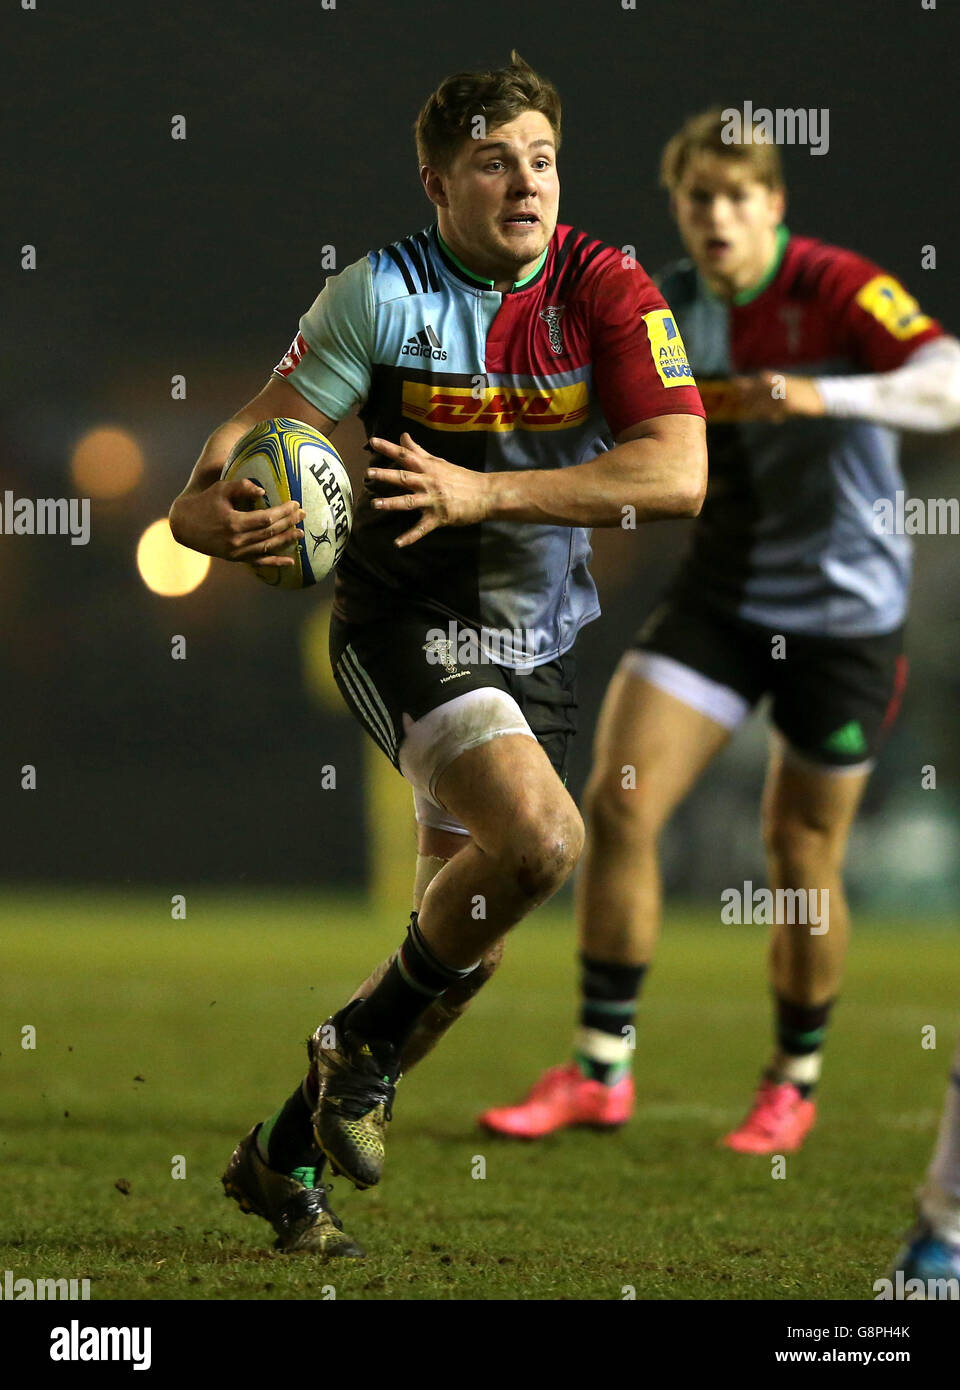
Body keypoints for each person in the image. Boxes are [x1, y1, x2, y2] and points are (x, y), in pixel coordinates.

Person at [168, 54, 706, 1254]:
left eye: (542, 159)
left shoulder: (609, 291)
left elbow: (678, 473)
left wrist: (483, 492)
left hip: (538, 646)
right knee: (547, 840)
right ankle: (352, 1054)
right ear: (438, 183)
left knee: (462, 942)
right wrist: (204, 508)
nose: (525, 183)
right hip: (404, 627)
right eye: (492, 162)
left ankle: (282, 1157)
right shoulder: (382, 295)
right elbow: (265, 432)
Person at [479, 106, 960, 1153]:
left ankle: (792, 1077)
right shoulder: (666, 307)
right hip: (723, 601)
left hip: (847, 618)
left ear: (774, 206)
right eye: (699, 198)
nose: (717, 216)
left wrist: (824, 396)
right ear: (681, 210)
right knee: (618, 799)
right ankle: (601, 1069)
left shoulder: (833, 288)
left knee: (799, 848)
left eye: (739, 196)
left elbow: (950, 382)